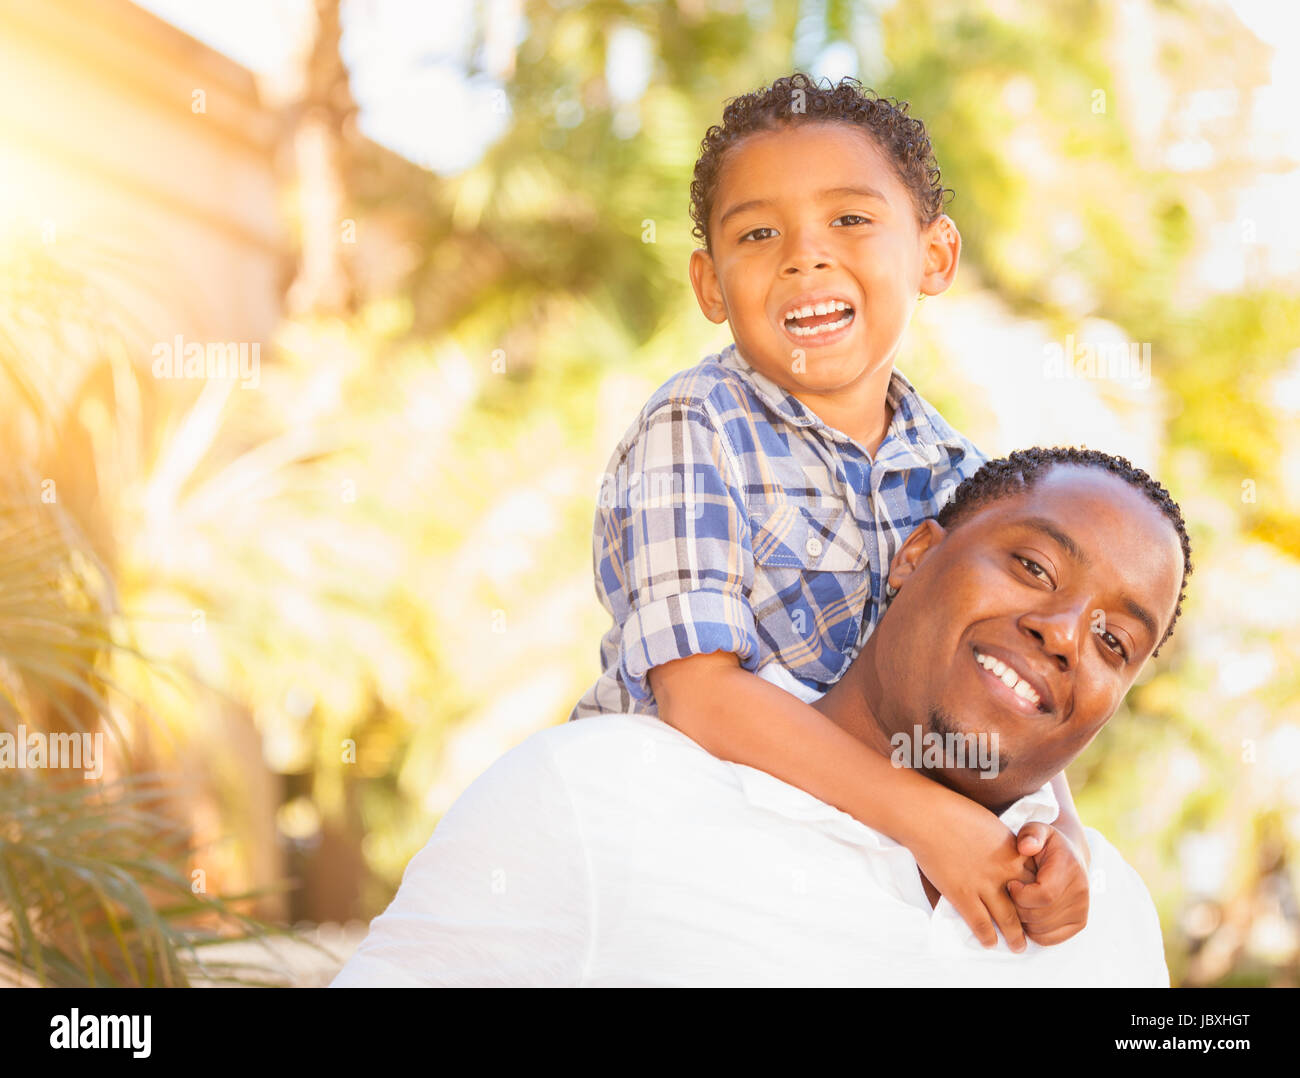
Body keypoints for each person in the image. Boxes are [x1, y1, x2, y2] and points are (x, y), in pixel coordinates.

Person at [332, 447, 1192, 987]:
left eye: (1115, 641)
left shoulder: (1106, 914)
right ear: (917, 553)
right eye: (1034, 567)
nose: (1065, 634)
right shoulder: (594, 798)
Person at [571, 72, 1089, 948]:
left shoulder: (968, 479)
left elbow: (1002, 692)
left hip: (847, 865)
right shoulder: (694, 428)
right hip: (677, 842)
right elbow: (699, 698)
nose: (803, 256)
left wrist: (1055, 832)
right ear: (709, 284)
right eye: (759, 232)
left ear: (935, 255)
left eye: (850, 220)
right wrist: (924, 817)